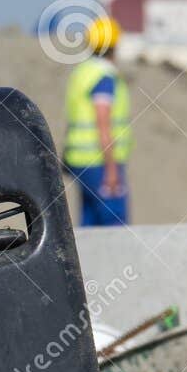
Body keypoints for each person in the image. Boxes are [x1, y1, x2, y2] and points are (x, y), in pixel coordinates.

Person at [63, 16, 132, 227]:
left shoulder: (83, 72)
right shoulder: (104, 77)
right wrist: (111, 170)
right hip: (99, 161)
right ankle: (120, 262)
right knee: (114, 222)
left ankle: (88, 261)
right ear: (115, 45)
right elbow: (103, 122)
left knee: (90, 221)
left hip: (80, 160)